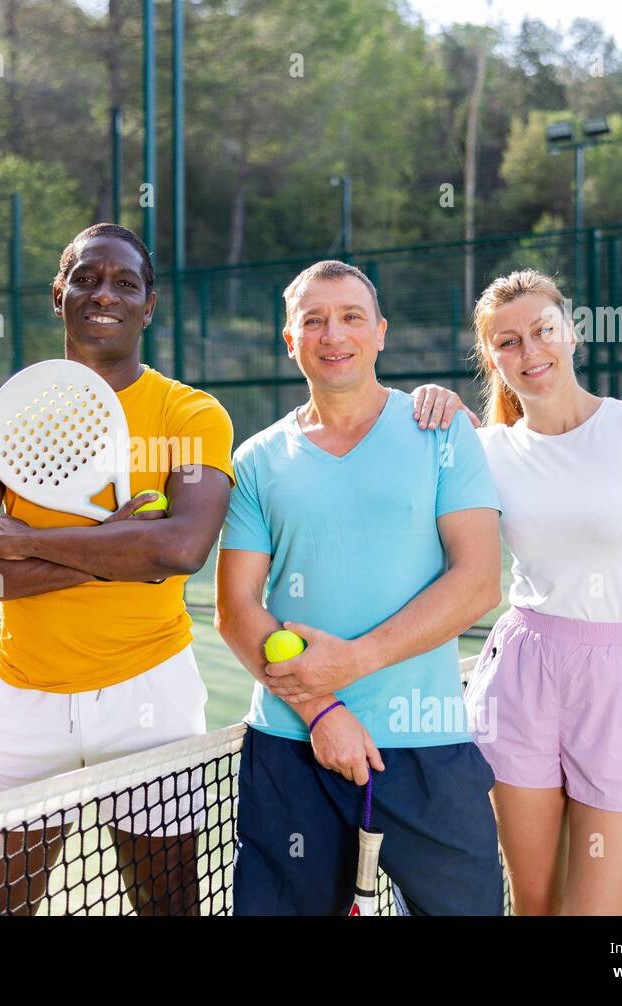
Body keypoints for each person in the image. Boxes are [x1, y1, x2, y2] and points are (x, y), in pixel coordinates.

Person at [409, 268, 622, 914]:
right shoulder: (482, 450)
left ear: (572, 333)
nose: (529, 353)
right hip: (520, 680)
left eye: (542, 331)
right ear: (490, 357)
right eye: (507, 342)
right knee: (535, 907)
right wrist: (429, 403)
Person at [0, 223, 234, 915]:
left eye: (125, 283)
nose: (103, 293)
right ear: (60, 295)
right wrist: (118, 546)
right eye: (86, 278)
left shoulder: (190, 414)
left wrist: (30, 544)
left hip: (152, 695)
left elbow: (181, 551)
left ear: (149, 304)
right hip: (21, 701)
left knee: (166, 906)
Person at [214, 260, 504, 916]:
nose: (332, 333)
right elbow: (235, 610)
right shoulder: (257, 461)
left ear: (380, 333)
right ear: (290, 341)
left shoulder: (443, 432)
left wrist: (355, 661)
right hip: (292, 751)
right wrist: (322, 709)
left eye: (349, 317)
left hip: (426, 745)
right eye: (312, 320)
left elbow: (480, 580)